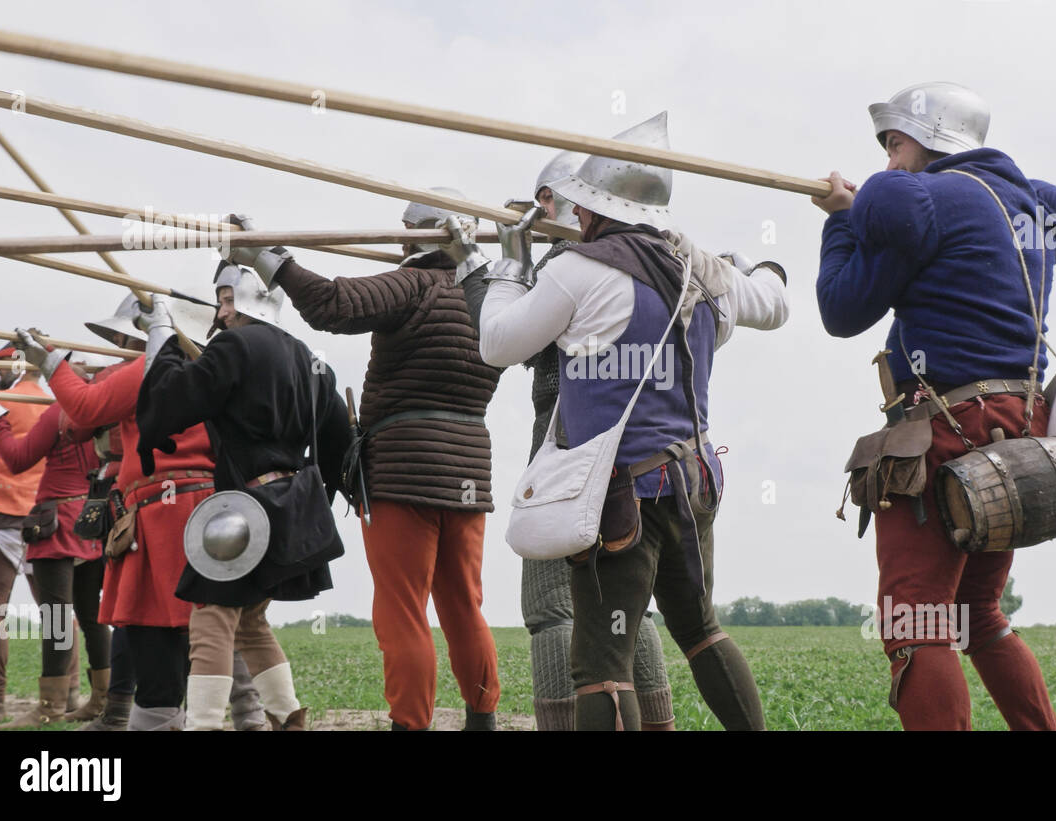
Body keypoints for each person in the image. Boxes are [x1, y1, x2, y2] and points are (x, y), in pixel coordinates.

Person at [466, 112, 790, 731]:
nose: (578, 219)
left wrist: (509, 265)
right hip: (691, 487)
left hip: (619, 498)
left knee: (601, 665)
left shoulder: (575, 271)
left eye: (583, 208)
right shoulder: (703, 271)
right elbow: (773, 305)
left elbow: (497, 342)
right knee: (700, 630)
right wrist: (759, 267)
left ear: (595, 210)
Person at [812, 81, 1056, 730]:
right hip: (1016, 432)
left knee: (917, 618)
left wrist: (845, 221)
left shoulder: (922, 204)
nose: (886, 162)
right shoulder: (1018, 209)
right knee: (976, 615)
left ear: (931, 142)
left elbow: (841, 309)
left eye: (895, 144)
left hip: (947, 433)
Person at [222, 199, 502, 731]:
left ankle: (410, 726)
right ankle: (481, 723)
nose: (398, 241)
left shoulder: (415, 284)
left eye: (405, 233)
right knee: (464, 606)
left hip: (402, 471)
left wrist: (264, 256)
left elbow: (332, 304)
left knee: (402, 611)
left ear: (422, 237)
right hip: (469, 473)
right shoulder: (489, 300)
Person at [458, 150, 675, 730]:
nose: (540, 210)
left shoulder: (574, 260)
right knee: (630, 614)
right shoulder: (654, 262)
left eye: (546, 200)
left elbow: (505, 340)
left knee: (552, 607)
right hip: (643, 450)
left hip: (574, 448)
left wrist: (480, 264)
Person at [136, 264, 349, 731]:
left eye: (230, 299)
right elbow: (339, 442)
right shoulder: (312, 359)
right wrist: (318, 502)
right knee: (250, 620)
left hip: (246, 508)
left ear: (256, 300)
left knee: (211, 617)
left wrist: (164, 335)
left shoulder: (233, 346)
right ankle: (288, 720)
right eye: (220, 300)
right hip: (292, 505)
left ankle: (205, 725)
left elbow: (171, 401)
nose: (222, 311)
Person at [15, 303, 215, 730]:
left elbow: (75, 418)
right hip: (177, 507)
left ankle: (141, 714)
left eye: (124, 339)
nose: (118, 348)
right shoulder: (210, 365)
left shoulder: (151, 368)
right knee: (195, 624)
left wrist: (48, 362)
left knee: (152, 624)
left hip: (144, 512)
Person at [0, 354, 110, 728]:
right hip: (77, 518)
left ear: (16, 367)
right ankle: (76, 698)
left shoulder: (25, 405)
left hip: (28, 518)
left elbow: (14, 455)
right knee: (79, 614)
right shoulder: (93, 410)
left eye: (1, 365)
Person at [0, 347, 50, 720]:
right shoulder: (58, 402)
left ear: (13, 366)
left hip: (1, 517)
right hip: (46, 517)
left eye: (1, 365)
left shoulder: (0, 399)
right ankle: (60, 700)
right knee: (59, 613)